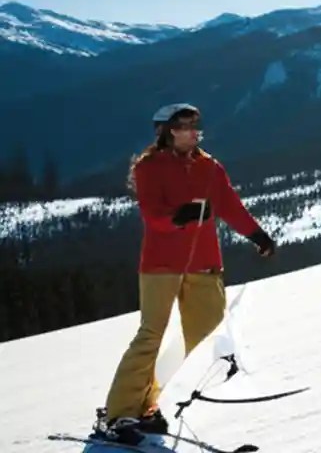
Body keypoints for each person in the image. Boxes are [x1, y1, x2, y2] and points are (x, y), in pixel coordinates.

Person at [94, 103, 277, 446]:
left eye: (196, 125)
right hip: (161, 264)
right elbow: (152, 215)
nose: (194, 131)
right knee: (151, 334)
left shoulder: (210, 167)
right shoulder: (150, 167)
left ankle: (147, 402)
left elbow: (230, 205)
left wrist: (256, 234)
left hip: (204, 262)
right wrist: (180, 216)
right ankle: (118, 413)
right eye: (185, 125)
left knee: (206, 323)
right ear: (167, 130)